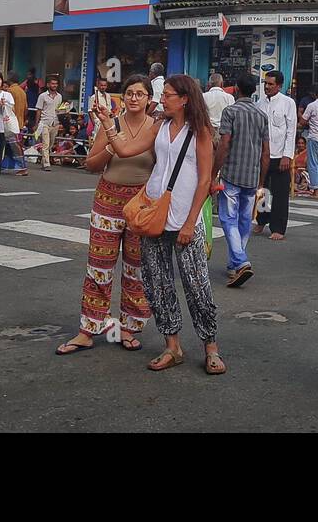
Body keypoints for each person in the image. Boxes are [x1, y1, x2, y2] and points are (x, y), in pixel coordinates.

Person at [95, 74, 224, 375]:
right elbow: (127, 150)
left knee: (197, 286)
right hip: (154, 215)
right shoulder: (159, 126)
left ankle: (211, 348)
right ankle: (172, 346)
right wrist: (107, 122)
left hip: (183, 219)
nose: (161, 99)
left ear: (184, 99)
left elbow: (205, 179)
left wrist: (191, 222)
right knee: (158, 285)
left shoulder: (200, 131)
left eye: (167, 95)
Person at [56, 74, 157, 355]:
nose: (134, 98)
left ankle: (129, 328)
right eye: (129, 93)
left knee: (136, 270)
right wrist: (112, 147)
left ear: (149, 99)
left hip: (142, 203)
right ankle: (88, 330)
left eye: (140, 93)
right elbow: (90, 164)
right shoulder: (110, 125)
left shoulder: (156, 129)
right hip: (107, 200)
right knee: (99, 268)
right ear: (122, 97)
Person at [212, 72, 270, 288]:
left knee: (228, 219)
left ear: (236, 88)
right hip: (252, 175)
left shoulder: (231, 111)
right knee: (244, 220)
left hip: (232, 174)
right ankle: (235, 262)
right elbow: (266, 152)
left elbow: (225, 143)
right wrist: (262, 181)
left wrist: (214, 172)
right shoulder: (261, 115)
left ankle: (240, 260)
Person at [255, 69, 296, 240]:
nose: (267, 87)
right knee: (262, 189)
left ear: (279, 86)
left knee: (279, 193)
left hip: (280, 154)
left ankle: (278, 227)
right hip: (263, 154)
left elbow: (291, 130)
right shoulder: (259, 103)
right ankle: (261, 220)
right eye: (266, 83)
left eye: (271, 84)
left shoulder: (288, 103)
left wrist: (287, 155)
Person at [33, 75, 64, 172]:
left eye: (56, 84)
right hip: (44, 122)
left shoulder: (59, 96)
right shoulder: (42, 96)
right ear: (48, 85)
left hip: (55, 122)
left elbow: (59, 109)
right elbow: (39, 110)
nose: (54, 85)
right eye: (52, 83)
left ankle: (43, 159)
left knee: (50, 144)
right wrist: (36, 123)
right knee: (45, 144)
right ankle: (46, 163)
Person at [2, 73, 28, 176]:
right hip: (19, 122)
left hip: (11, 124)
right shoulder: (22, 92)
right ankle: (3, 165)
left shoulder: (9, 92)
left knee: (15, 147)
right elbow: (26, 109)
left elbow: (7, 108)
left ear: (10, 80)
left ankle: (23, 167)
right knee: (10, 146)